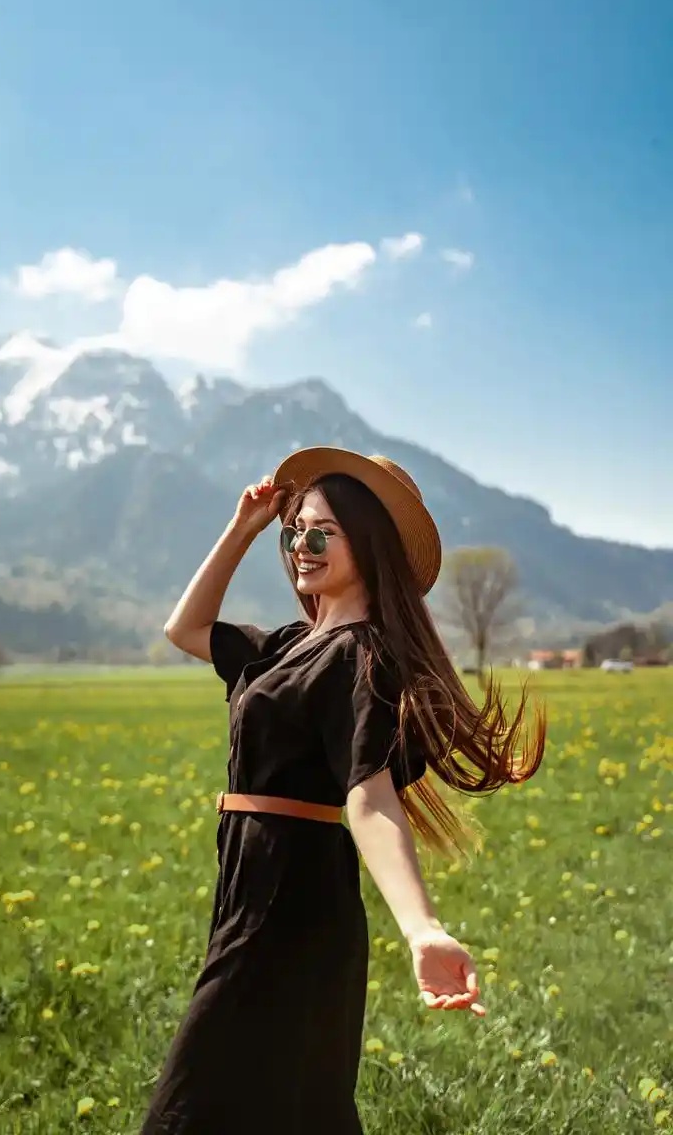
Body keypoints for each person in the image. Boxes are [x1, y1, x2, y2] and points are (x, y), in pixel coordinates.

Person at [140, 446, 546, 1135]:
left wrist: (423, 929)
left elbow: (370, 794)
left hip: (289, 904)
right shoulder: (289, 645)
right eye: (294, 529)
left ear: (370, 542)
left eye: (321, 530)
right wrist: (242, 529)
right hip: (256, 891)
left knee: (195, 1106)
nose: (302, 543)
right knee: (293, 1107)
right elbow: (184, 629)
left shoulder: (361, 657)